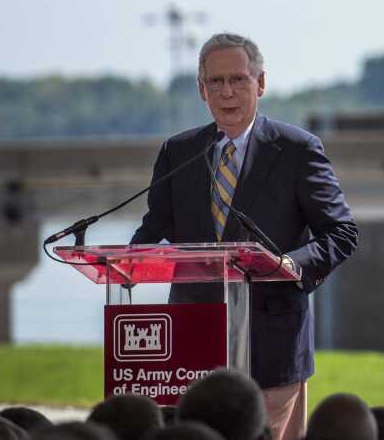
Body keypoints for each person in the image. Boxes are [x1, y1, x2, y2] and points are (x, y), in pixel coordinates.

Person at [132, 33, 360, 440]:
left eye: (238, 79)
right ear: (202, 90)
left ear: (260, 83)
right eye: (216, 82)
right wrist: (124, 262)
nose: (227, 92)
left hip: (271, 341)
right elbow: (154, 230)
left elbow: (341, 233)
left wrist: (291, 264)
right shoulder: (178, 152)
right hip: (191, 340)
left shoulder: (297, 150)